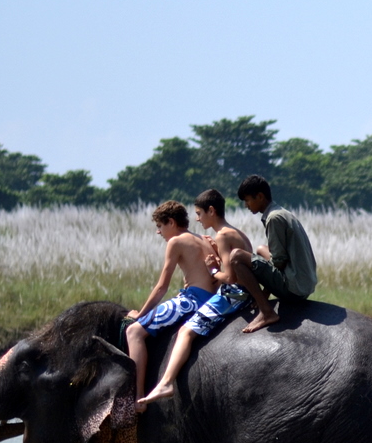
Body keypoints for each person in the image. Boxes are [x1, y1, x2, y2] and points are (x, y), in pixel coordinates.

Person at [137, 189, 256, 410]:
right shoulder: (235, 233)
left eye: (200, 213)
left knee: (185, 331)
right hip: (242, 292)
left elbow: (228, 278)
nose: (197, 219)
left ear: (211, 210)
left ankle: (165, 383)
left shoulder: (220, 236)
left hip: (233, 294)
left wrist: (212, 270)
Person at [124, 200, 218, 398]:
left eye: (160, 226)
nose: (159, 232)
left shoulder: (176, 241)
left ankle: (138, 397)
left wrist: (140, 315)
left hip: (193, 300)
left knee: (133, 332)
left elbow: (161, 287)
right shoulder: (204, 238)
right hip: (211, 299)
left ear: (172, 223)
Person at [223, 174, 318, 333]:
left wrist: (264, 290)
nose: (246, 205)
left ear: (260, 196)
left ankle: (266, 312)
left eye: (248, 200)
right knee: (261, 249)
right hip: (304, 284)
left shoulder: (273, 218)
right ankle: (264, 301)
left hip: (294, 288)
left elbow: (279, 261)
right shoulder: (281, 212)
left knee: (236, 256)